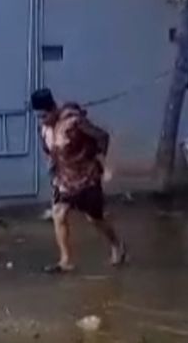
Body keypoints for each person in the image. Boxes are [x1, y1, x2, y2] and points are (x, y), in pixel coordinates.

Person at [31, 88, 126, 272]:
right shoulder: (44, 129)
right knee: (59, 214)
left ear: (52, 109)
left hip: (86, 177)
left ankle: (117, 245)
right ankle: (65, 260)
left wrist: (103, 163)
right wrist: (53, 171)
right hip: (64, 180)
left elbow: (102, 136)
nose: (42, 120)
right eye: (38, 116)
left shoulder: (74, 122)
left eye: (44, 115)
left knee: (95, 219)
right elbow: (50, 151)